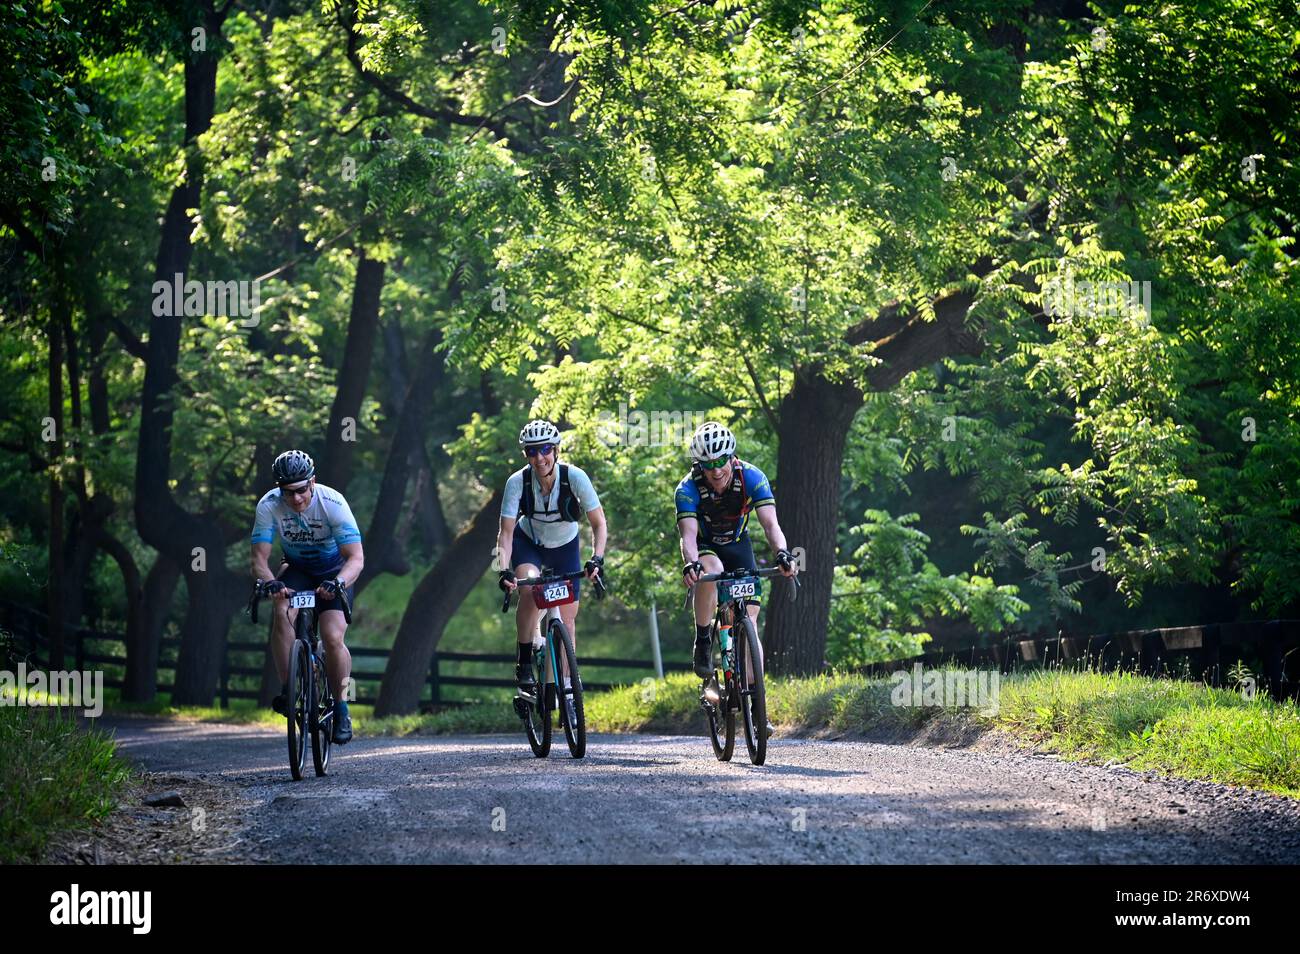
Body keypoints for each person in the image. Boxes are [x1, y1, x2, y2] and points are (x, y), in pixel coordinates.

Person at [250, 449, 363, 743]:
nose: (296, 499)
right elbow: (259, 559)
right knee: (282, 607)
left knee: (333, 636)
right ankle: (290, 690)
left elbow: (356, 559)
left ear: (312, 481)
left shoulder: (333, 504)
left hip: (334, 570)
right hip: (297, 569)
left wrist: (338, 583)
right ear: (279, 490)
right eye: (288, 493)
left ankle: (341, 708)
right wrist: (271, 582)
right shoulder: (268, 506)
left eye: (301, 490)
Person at [674, 421, 796, 680]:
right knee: (712, 571)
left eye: (721, 461)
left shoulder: (752, 477)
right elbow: (688, 535)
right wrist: (691, 563)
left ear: (732, 457)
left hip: (738, 544)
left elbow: (771, 524)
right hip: (706, 546)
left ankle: (757, 708)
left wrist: (782, 553)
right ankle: (704, 638)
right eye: (708, 465)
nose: (716, 470)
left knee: (749, 622)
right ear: (699, 465)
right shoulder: (687, 488)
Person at [496, 420, 607, 690]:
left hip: (564, 548)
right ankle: (524, 660)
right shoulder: (517, 482)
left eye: (545, 449)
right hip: (528, 543)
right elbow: (506, 533)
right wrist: (503, 570)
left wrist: (597, 558)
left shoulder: (575, 477)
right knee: (530, 588)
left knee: (567, 622)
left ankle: (567, 687)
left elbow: (599, 523)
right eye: (531, 452)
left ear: (556, 450)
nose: (539, 458)